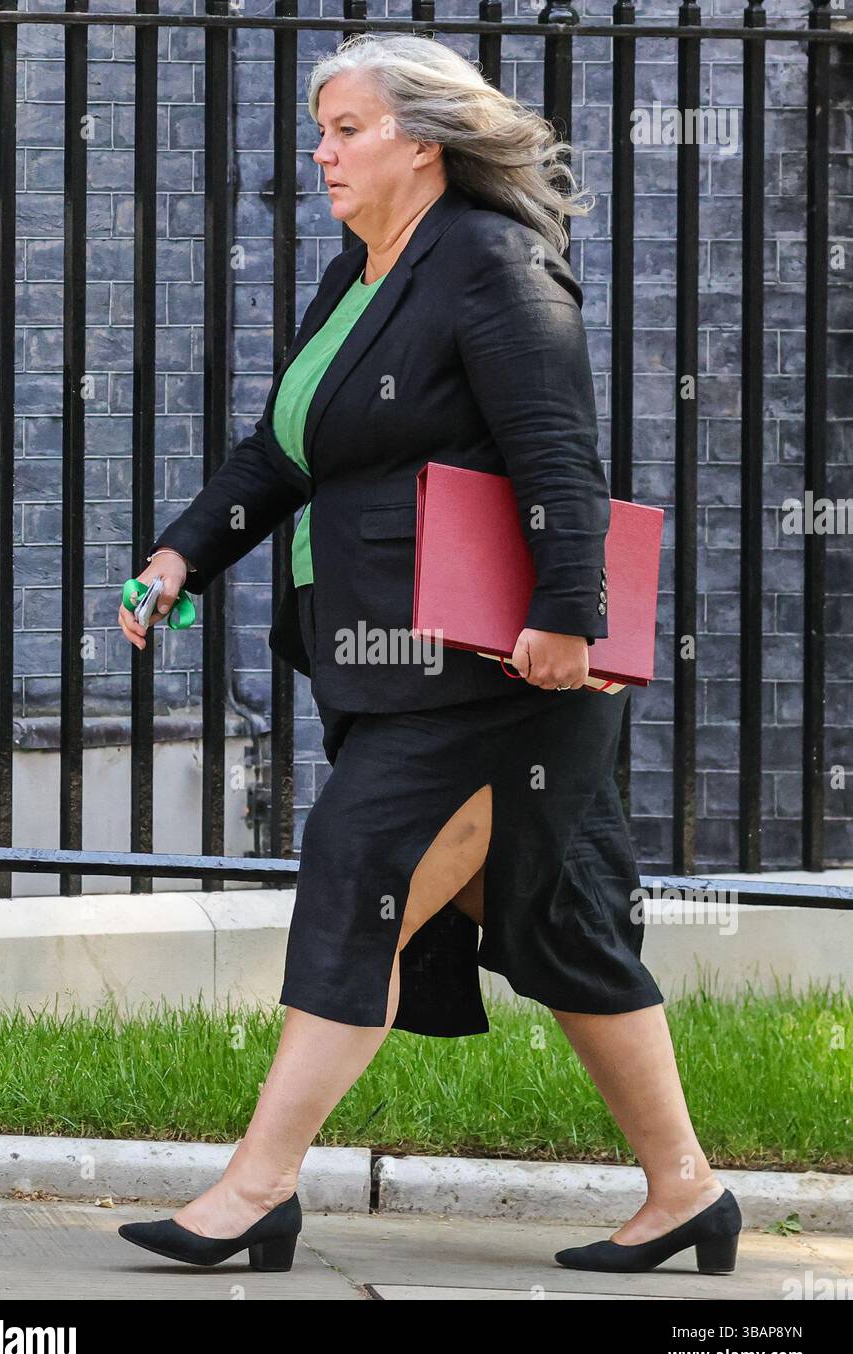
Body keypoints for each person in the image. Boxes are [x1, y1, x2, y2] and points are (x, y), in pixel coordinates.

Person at [115, 33, 741, 1277]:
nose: (322, 153)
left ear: (423, 139)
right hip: (395, 664)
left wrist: (568, 617)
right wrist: (184, 553)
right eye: (319, 131)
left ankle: (256, 1190)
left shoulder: (494, 265)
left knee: (356, 866)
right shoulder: (362, 272)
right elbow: (285, 450)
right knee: (562, 931)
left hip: (498, 677)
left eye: (345, 129)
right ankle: (688, 1193)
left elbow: (559, 455)